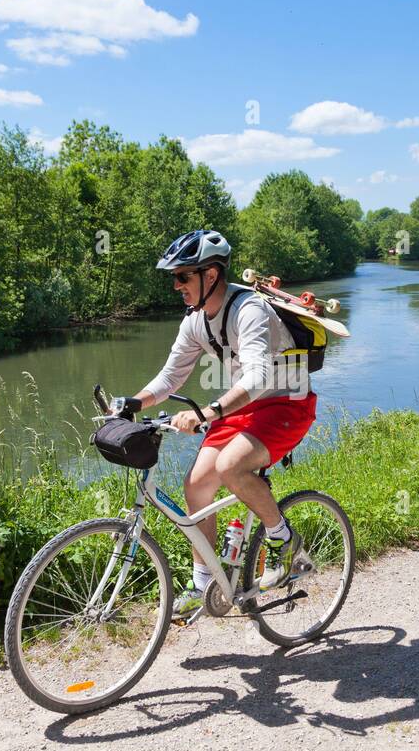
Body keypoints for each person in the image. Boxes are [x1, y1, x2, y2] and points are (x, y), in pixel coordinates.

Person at [128, 230, 317, 616]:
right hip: (242, 409)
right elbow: (170, 378)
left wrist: (207, 413)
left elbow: (259, 378)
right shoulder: (195, 320)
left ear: (210, 276)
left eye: (183, 276)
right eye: (174, 277)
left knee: (231, 466)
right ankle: (205, 583)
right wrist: (133, 402)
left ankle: (284, 539)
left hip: (286, 405)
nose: (176, 285)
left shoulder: (249, 311)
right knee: (196, 485)